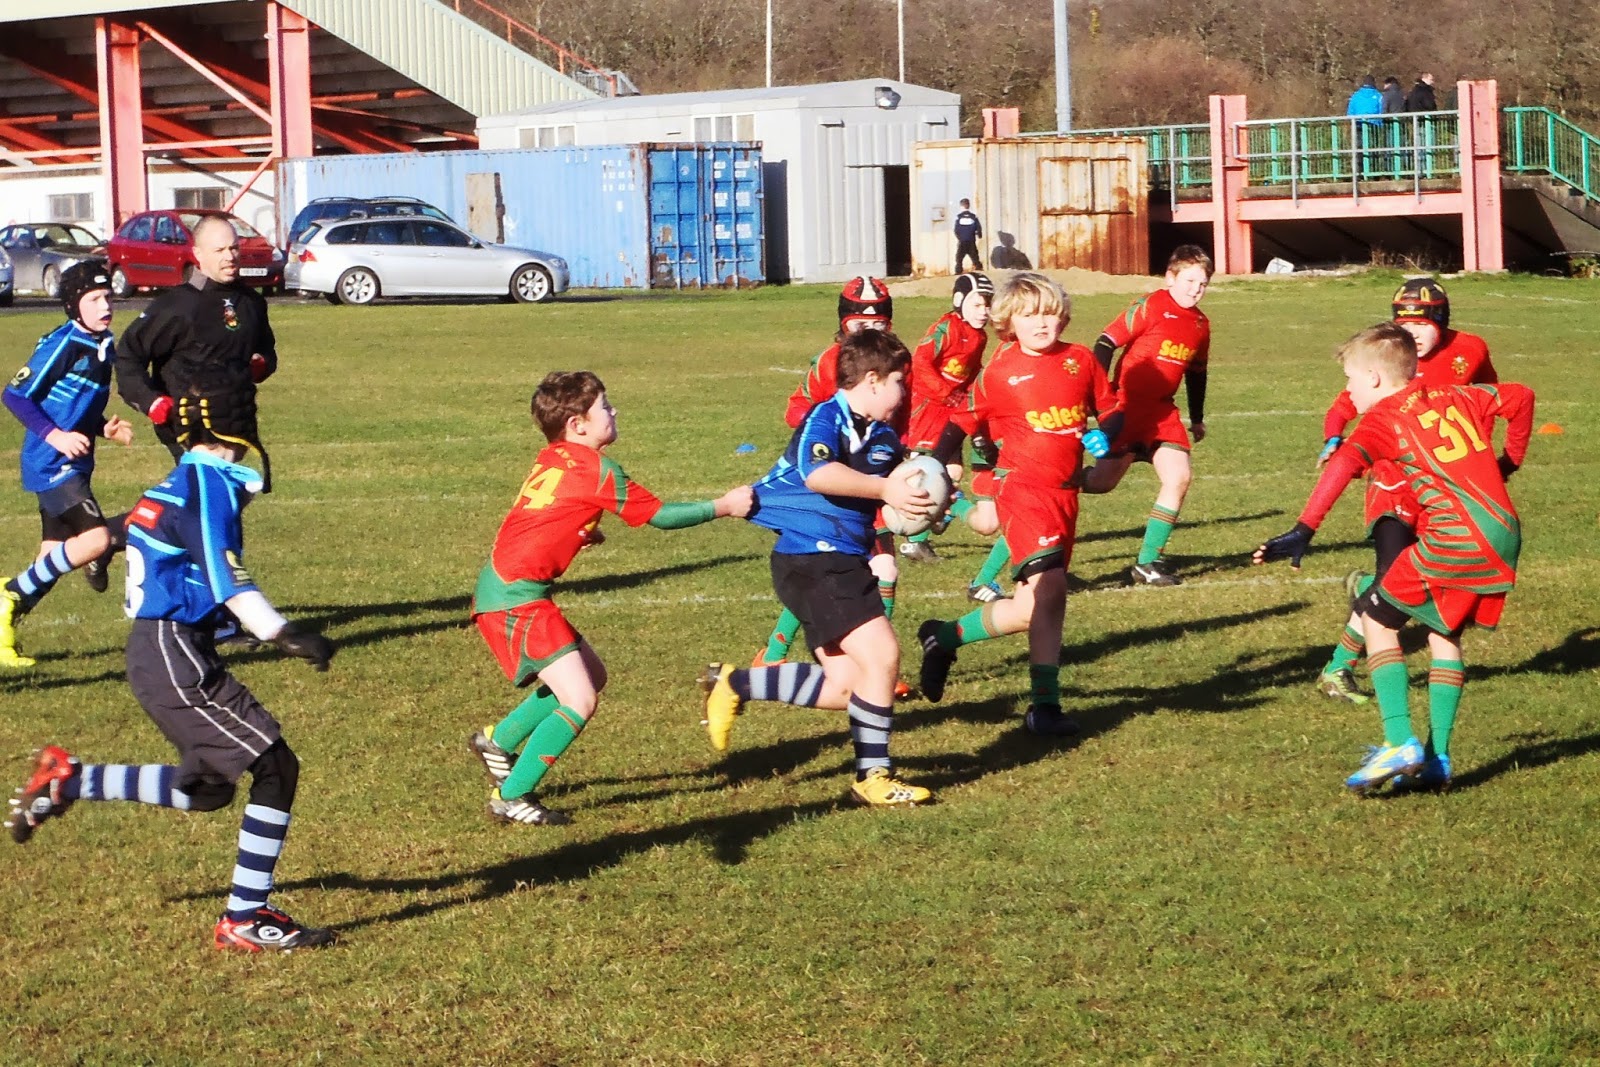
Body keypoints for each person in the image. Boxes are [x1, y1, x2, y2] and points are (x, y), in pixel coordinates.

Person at [4, 385, 339, 951]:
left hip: (165, 649)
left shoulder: (181, 478)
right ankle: (244, 916)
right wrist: (280, 632)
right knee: (276, 767)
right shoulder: (206, 484)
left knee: (208, 790)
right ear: (235, 430)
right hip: (171, 652)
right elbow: (222, 568)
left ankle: (71, 781)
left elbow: (150, 554)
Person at [1253, 323, 1533, 793]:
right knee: (1443, 629)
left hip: (1455, 535)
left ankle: (1399, 741)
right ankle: (1439, 759)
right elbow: (1521, 396)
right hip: (1502, 531)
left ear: (1376, 379)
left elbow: (1343, 464)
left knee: (1376, 616)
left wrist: (1305, 529)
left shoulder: (1381, 419)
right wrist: (1510, 461)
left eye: (1350, 380)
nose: (1347, 390)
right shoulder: (1457, 395)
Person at [468, 371, 752, 826]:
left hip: (507, 589)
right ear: (578, 424)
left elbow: (548, 510)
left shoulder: (555, 455)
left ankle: (497, 740)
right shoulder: (599, 470)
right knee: (579, 700)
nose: (614, 411)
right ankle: (513, 796)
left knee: (591, 675)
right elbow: (660, 516)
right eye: (605, 406)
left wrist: (580, 528)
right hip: (516, 598)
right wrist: (725, 505)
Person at [698, 329, 934, 806]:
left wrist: (931, 500)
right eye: (899, 382)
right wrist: (887, 491)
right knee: (884, 655)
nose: (905, 393)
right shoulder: (825, 417)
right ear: (871, 380)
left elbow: (892, 487)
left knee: (851, 685)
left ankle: (735, 683)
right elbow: (818, 473)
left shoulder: (885, 437)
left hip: (841, 559)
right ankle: (874, 776)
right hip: (811, 556)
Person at [918, 272, 1121, 737]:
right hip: (1022, 489)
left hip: (1066, 492)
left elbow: (1110, 408)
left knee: (1032, 608)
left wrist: (1104, 434)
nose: (1042, 323)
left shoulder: (1081, 361)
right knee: (1052, 587)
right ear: (1008, 322)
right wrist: (933, 467)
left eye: (1050, 312)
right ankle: (1044, 708)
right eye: (1030, 315)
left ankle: (943, 636)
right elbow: (962, 420)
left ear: (1064, 315)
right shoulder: (1000, 372)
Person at [1309, 277, 1499, 704]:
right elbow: (1342, 405)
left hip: (1442, 487)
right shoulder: (1390, 356)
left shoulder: (1471, 350)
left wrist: (1479, 458)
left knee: (1411, 584)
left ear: (1443, 319)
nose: (1411, 331)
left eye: (1422, 322)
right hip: (1393, 483)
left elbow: (1488, 397)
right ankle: (1338, 668)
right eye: (1403, 321)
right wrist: (1333, 438)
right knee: (1392, 578)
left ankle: (1347, 652)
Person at [755, 277, 906, 677]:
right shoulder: (832, 364)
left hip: (878, 477)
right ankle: (873, 668)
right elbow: (799, 411)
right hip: (840, 486)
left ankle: (874, 665)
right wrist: (834, 438)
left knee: (880, 568)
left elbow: (903, 418)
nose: (871, 331)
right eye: (860, 325)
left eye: (880, 324)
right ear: (844, 325)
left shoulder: (892, 364)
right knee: (874, 566)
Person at [0, 260, 135, 668]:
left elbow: (73, 405)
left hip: (72, 464)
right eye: (93, 299)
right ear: (75, 306)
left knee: (52, 559)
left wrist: (100, 428)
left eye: (107, 297)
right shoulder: (64, 343)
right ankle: (7, 596)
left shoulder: (103, 343)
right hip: (50, 463)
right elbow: (16, 395)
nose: (104, 305)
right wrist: (55, 436)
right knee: (95, 541)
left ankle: (4, 630)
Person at [1081, 245, 1213, 587]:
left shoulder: (1200, 324)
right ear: (1170, 278)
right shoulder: (1152, 305)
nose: (1195, 289)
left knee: (1179, 477)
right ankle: (1051, 483)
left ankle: (1147, 562)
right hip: (1126, 408)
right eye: (1189, 280)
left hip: (1162, 411)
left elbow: (1196, 372)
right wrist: (1098, 396)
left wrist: (1197, 417)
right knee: (1101, 483)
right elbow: (1106, 342)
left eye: (1202, 283)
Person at [116, 214, 277, 482]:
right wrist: (150, 401)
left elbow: (267, 351)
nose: (230, 256)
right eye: (220, 250)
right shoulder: (176, 306)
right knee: (206, 506)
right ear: (198, 254)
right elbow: (128, 356)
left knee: (225, 511)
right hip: (191, 431)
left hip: (238, 425)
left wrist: (263, 364)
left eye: (234, 248)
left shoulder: (250, 302)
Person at [898, 271, 993, 564]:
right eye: (978, 304)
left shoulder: (979, 335)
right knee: (927, 471)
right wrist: (944, 392)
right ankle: (915, 539)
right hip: (929, 409)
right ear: (959, 301)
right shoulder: (945, 329)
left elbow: (972, 371)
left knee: (953, 474)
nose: (984, 311)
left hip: (953, 410)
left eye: (988, 305)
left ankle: (939, 514)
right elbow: (920, 363)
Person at [953, 199, 983, 274]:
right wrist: (979, 235)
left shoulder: (959, 217)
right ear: (969, 205)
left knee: (959, 257)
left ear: (961, 206)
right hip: (971, 240)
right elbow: (978, 228)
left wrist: (959, 237)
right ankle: (979, 268)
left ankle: (958, 271)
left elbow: (956, 230)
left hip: (962, 241)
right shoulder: (973, 217)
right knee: (975, 256)